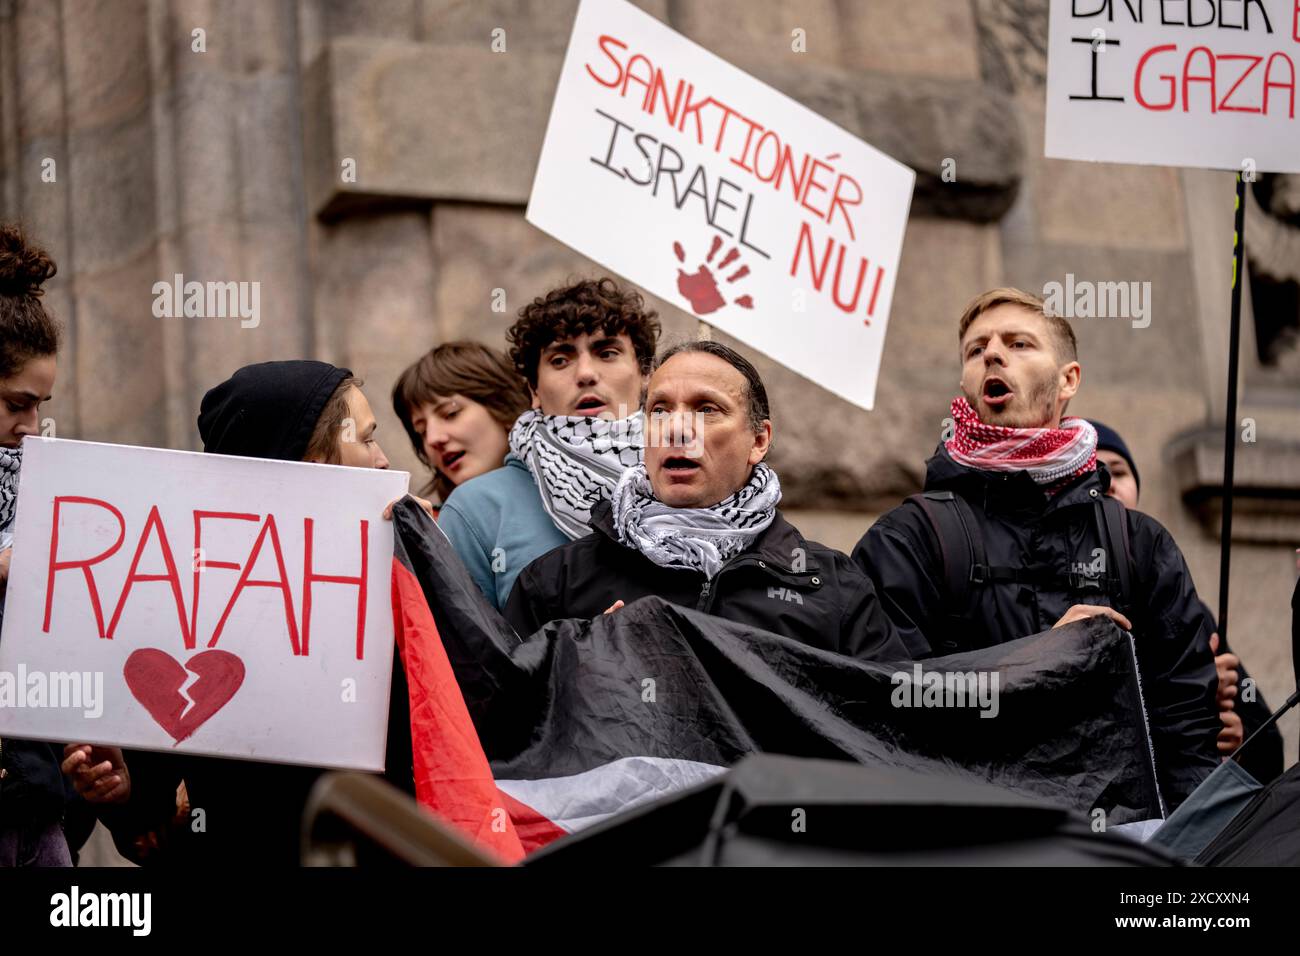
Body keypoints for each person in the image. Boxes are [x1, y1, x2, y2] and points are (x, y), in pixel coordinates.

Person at [853, 288, 1219, 809]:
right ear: (966, 383)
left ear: (1068, 379)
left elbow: (1187, 733)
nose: (993, 356)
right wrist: (1039, 660)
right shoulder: (907, 538)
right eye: (976, 350)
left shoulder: (1139, 544)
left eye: (1019, 344)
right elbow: (881, 705)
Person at [63, 361, 423, 865]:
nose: (383, 460)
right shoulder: (191, 604)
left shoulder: (399, 564)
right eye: (365, 440)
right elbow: (151, 796)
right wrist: (122, 793)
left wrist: (429, 566)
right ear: (311, 461)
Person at [505, 341, 908, 662]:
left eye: (707, 409)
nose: (678, 429)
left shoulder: (832, 589)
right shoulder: (557, 582)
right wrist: (573, 664)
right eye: (659, 410)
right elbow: (504, 728)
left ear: (759, 440)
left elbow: (886, 740)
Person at [437, 278, 659, 610]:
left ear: (645, 374)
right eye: (560, 360)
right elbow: (466, 651)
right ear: (534, 390)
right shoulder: (474, 510)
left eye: (607, 353)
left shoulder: (697, 482)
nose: (585, 373)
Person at [1090, 419, 1284, 783]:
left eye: (1118, 470)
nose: (1108, 482)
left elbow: (1269, 752)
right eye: (1094, 470)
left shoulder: (1185, 607)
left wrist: (1235, 739)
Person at [0, 224, 74, 867]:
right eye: (16, 404)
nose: (31, 428)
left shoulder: (37, 479)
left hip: (31, 798)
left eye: (41, 406)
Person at [392, 341, 531, 505]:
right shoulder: (435, 525)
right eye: (422, 431)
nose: (433, 439)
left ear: (503, 404)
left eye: (450, 414)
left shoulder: (565, 495)